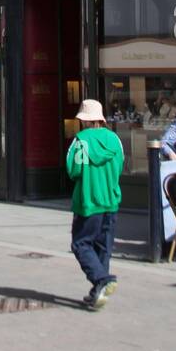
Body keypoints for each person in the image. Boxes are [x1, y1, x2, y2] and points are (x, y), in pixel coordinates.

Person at [66, 99, 124, 311]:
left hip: (88, 201)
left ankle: (102, 280)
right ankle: (98, 292)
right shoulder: (115, 140)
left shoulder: (80, 141)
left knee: (81, 244)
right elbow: (119, 167)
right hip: (111, 200)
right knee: (103, 247)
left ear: (84, 120)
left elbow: (74, 170)